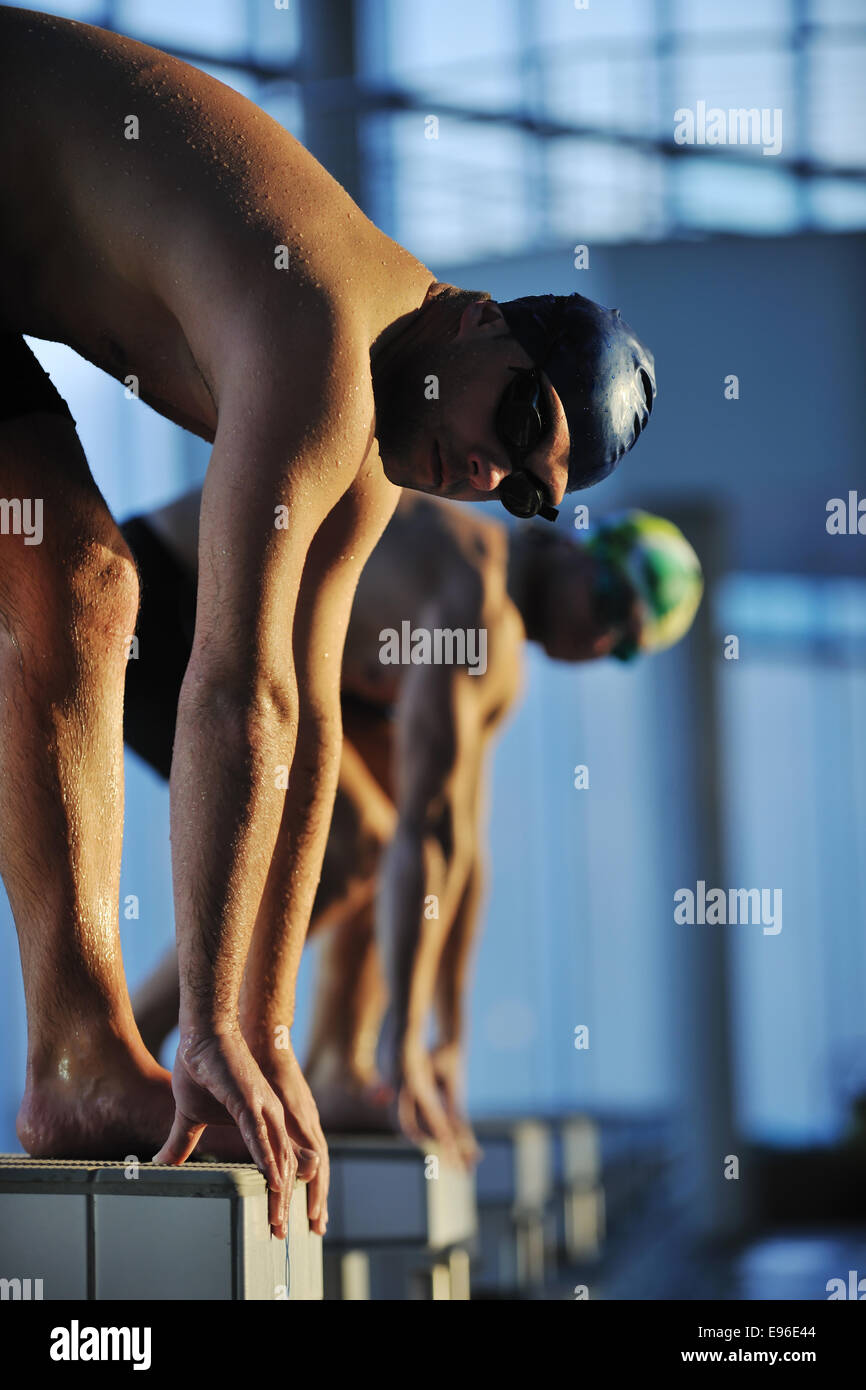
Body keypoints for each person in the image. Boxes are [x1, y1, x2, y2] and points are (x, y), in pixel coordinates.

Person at [0, 5, 655, 1237]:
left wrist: (262, 1029)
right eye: (515, 423)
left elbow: (295, 732)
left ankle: (84, 1065)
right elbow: (235, 685)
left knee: (82, 581)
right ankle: (97, 1051)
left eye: (521, 492)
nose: (482, 473)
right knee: (86, 579)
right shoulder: (324, 343)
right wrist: (203, 1025)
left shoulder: (370, 468)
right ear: (475, 315)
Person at [123, 491, 702, 1164]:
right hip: (160, 599)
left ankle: (342, 1064)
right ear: (577, 552)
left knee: (390, 817)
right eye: (608, 607)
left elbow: (457, 849)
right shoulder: (476, 599)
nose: (599, 640)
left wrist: (447, 1038)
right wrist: (411, 1045)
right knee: (354, 844)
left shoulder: (495, 647)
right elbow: (428, 841)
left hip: (248, 626)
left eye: (624, 647)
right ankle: (140, 1045)